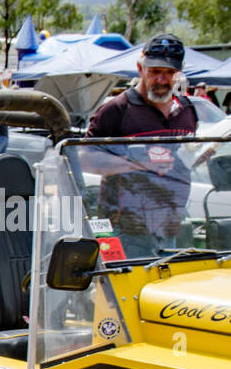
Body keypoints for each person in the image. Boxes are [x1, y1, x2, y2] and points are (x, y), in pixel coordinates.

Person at [85, 33, 199, 256]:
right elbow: (83, 157)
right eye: (155, 71)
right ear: (140, 68)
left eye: (170, 73)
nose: (162, 79)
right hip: (127, 230)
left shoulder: (187, 110)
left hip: (171, 225)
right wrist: (138, 163)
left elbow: (188, 157)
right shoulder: (117, 109)